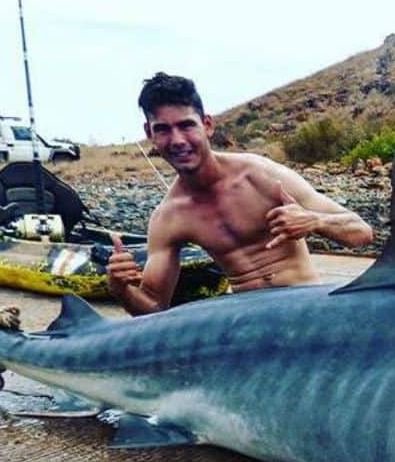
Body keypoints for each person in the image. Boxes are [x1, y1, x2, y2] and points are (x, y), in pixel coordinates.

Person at [106, 73, 374, 315]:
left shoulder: (260, 175)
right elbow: (153, 307)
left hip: (305, 311)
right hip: (245, 325)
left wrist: (315, 221)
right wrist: (120, 288)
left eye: (186, 125)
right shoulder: (169, 217)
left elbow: (362, 233)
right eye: (163, 129)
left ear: (207, 125)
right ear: (149, 134)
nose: (177, 140)